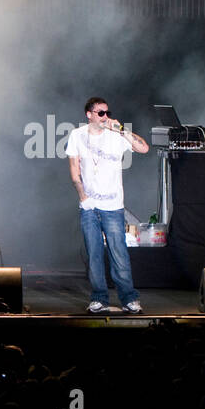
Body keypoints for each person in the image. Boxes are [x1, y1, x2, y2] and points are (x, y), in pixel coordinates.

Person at [65, 97, 149, 314]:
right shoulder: (77, 135)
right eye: (100, 113)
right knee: (94, 253)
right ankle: (99, 298)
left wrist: (122, 131)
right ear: (89, 114)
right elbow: (74, 169)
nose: (105, 116)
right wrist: (83, 197)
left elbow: (144, 148)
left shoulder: (116, 135)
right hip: (89, 206)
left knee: (118, 252)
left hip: (113, 205)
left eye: (107, 112)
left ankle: (129, 298)